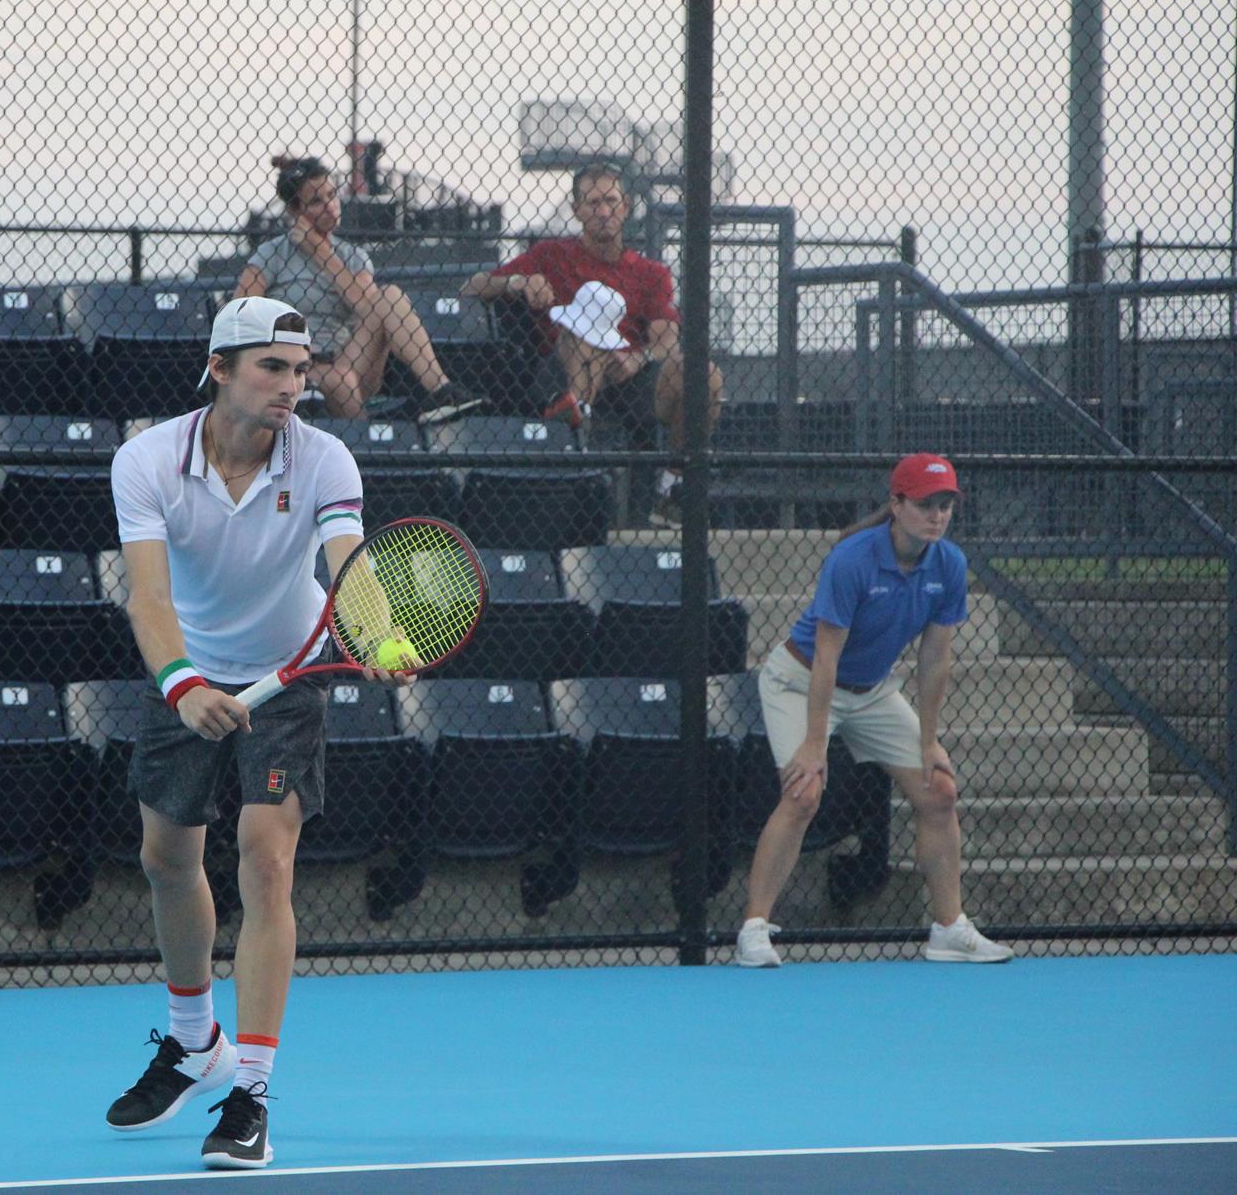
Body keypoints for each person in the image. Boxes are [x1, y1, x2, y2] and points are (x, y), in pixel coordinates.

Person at [104, 296, 411, 1169]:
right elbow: (149, 599)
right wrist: (183, 683)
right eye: (272, 368)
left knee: (266, 857)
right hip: (187, 667)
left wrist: (380, 631)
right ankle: (195, 1041)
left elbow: (350, 562)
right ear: (220, 370)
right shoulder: (147, 460)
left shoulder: (323, 458)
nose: (291, 386)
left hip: (289, 669)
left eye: (300, 370)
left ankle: (252, 1092)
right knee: (166, 857)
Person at [735, 453, 1013, 968]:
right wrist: (815, 745)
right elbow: (826, 656)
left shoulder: (949, 564)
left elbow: (934, 661)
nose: (937, 515)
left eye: (946, 504)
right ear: (896, 504)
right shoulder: (852, 559)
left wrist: (929, 740)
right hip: (799, 681)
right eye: (926, 504)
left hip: (874, 691)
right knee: (803, 793)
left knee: (939, 792)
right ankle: (754, 930)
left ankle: (949, 929)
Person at [461, 161, 723, 525]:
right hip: (560, 374)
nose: (603, 211)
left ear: (626, 207)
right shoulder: (549, 255)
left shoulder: (652, 273)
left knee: (702, 374)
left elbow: (666, 338)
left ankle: (671, 490)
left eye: (611, 201)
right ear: (577, 210)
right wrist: (516, 283)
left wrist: (637, 358)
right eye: (593, 202)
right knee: (586, 329)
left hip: (629, 377)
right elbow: (472, 287)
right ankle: (576, 448)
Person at [235, 156, 483, 425]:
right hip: (290, 366)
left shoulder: (352, 256)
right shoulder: (272, 254)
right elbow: (238, 314)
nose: (330, 206)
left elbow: (368, 305)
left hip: (347, 360)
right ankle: (363, 447)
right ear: (295, 212)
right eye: (317, 202)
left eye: (331, 195)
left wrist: (320, 252)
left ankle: (442, 391)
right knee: (339, 382)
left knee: (390, 296)